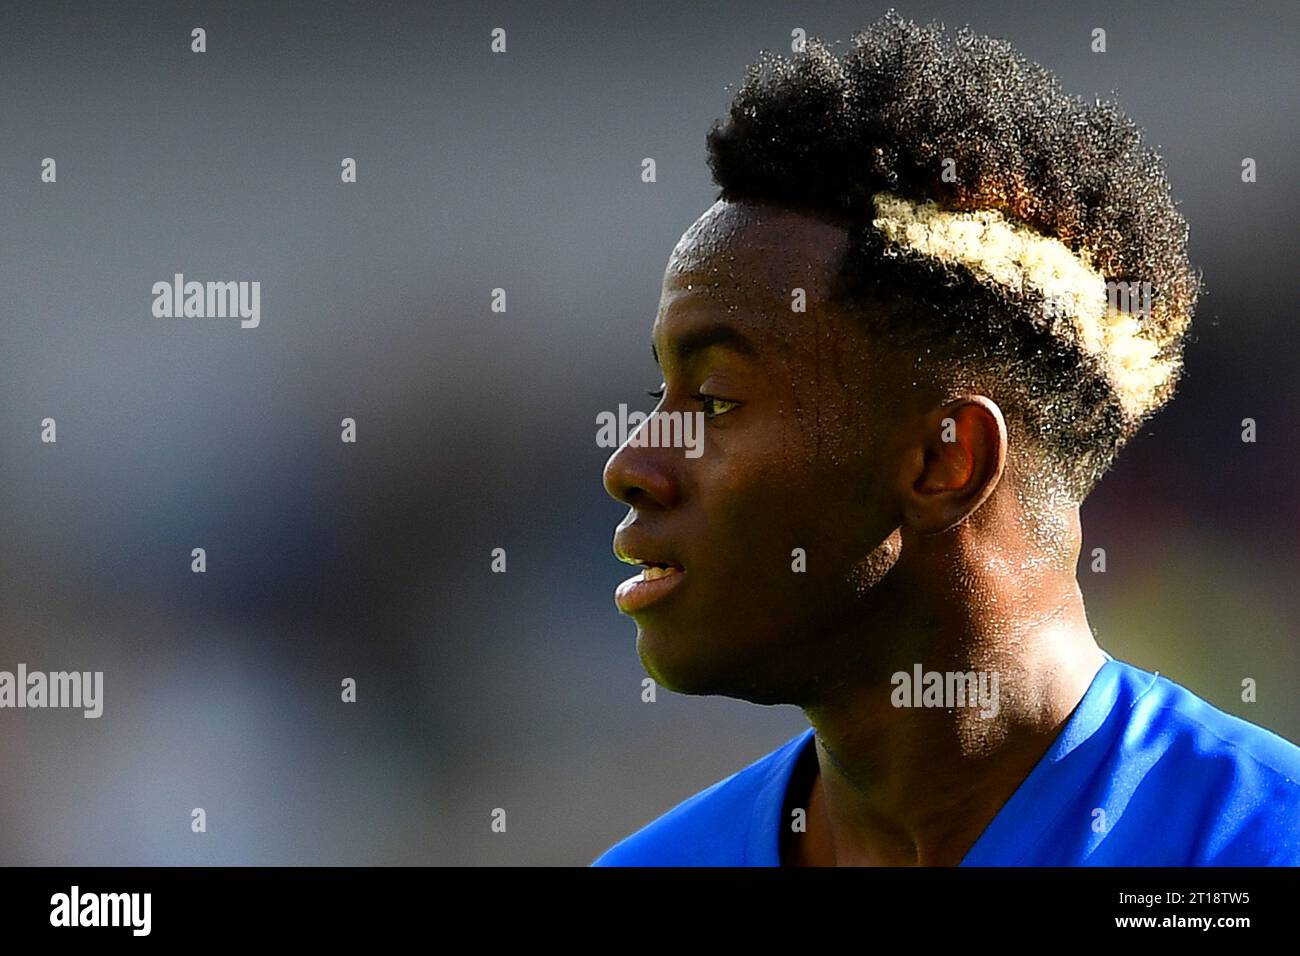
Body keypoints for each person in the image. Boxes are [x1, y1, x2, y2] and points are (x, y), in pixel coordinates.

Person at [593, 13, 1300, 866]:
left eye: (712, 398)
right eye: (654, 392)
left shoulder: (1254, 845)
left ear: (946, 462)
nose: (630, 465)